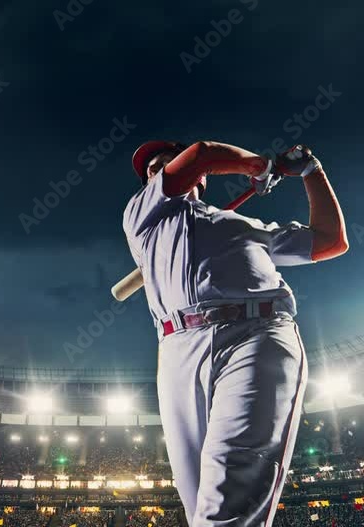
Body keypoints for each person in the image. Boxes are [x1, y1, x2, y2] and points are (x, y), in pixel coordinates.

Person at [123, 140, 348, 526]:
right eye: (152, 169)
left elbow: (331, 241)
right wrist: (259, 167)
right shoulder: (141, 214)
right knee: (197, 505)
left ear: (206, 181)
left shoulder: (248, 227)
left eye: (166, 162)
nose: (159, 170)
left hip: (257, 333)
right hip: (177, 349)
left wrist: (313, 173)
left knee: (229, 498)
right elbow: (203, 153)